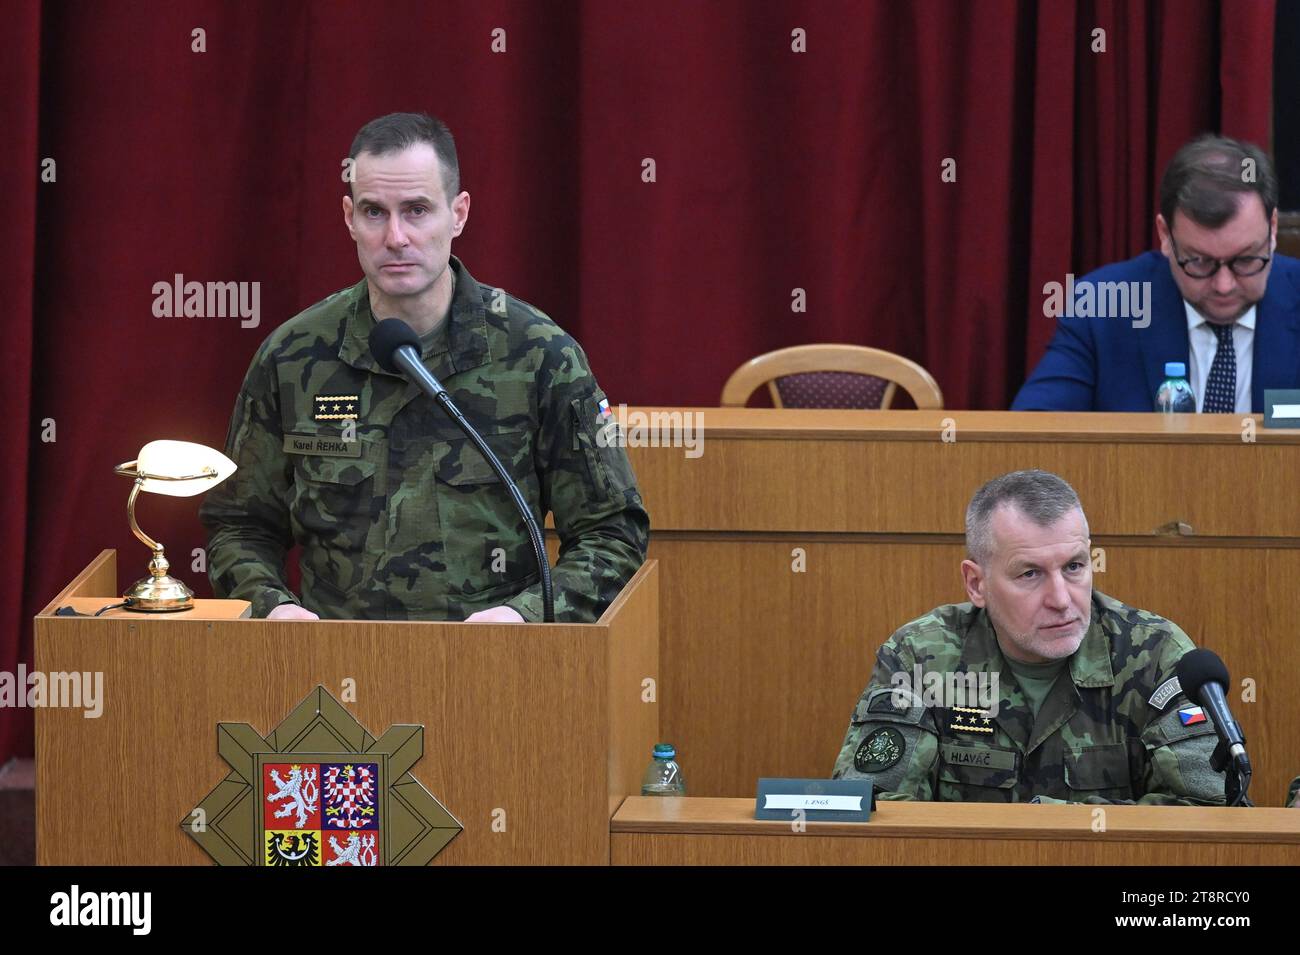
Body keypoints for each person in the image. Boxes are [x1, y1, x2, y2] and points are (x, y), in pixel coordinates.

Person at [200, 112, 649, 623]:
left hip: (496, 667)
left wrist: (525, 617)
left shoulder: (540, 355)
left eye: (417, 210)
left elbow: (612, 533)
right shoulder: (294, 355)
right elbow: (238, 525)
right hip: (332, 671)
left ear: (458, 214)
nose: (396, 237)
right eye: (374, 212)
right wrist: (272, 607)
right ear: (348, 217)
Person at [832, 469, 1225, 805]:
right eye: (1029, 574)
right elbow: (872, 808)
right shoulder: (921, 657)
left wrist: (1047, 830)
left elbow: (1206, 815)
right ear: (976, 584)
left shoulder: (1155, 655)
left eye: (1074, 567)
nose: (1060, 599)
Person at [1013, 136, 1300, 413]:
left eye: (1246, 259)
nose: (1224, 286)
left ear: (1272, 228)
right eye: (1199, 261)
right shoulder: (1104, 306)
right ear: (1165, 235)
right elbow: (1035, 432)